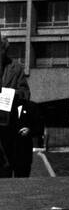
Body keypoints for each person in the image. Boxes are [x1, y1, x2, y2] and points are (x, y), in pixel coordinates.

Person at [0, 34, 34, 178]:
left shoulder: (16, 68)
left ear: (4, 49)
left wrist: (11, 94)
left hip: (9, 125)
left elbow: (25, 94)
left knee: (7, 166)